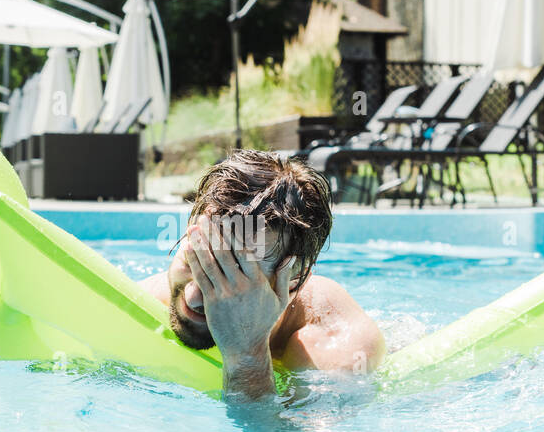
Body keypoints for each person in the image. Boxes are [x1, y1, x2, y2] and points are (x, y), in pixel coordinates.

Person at [139, 150, 385, 400]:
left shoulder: (334, 348)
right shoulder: (149, 296)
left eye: (230, 278)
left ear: (294, 281)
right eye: (197, 260)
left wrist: (247, 355)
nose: (193, 298)